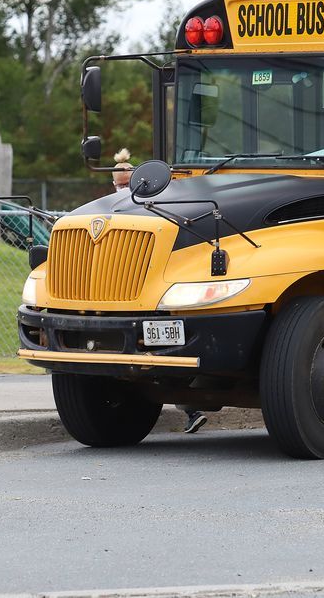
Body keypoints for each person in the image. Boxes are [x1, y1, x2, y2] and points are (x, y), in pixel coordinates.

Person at [110, 149, 208, 434]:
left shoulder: (155, 207)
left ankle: (191, 409)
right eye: (118, 185)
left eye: (127, 183)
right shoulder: (112, 209)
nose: (123, 189)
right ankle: (190, 409)